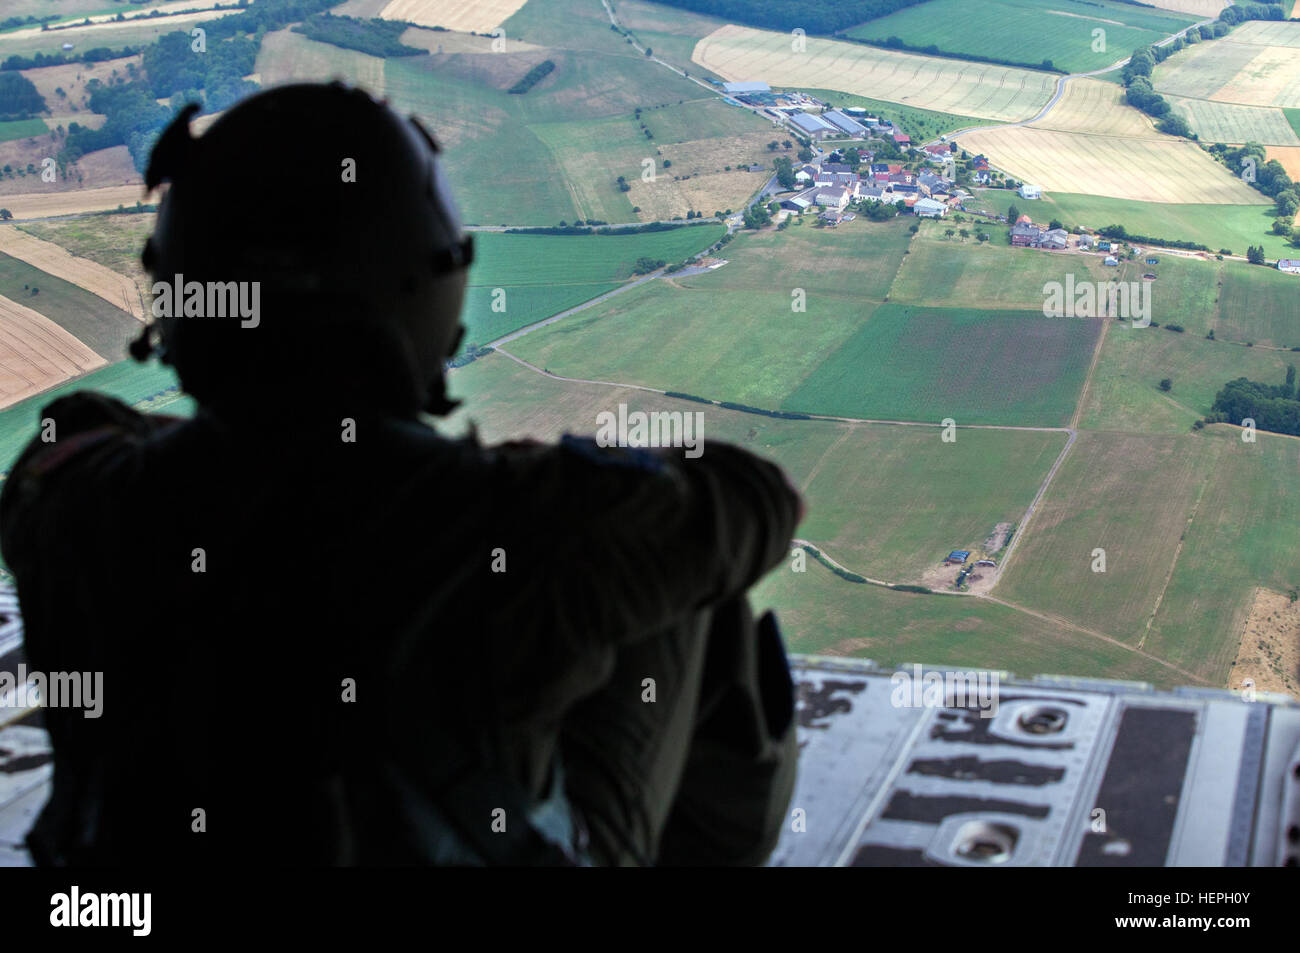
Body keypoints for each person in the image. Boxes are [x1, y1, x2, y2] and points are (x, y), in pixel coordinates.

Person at [0, 83, 802, 866]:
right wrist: (543, 477)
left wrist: (256, 441)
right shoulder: (520, 522)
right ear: (430, 285)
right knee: (685, 576)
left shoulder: (74, 501)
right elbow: (757, 501)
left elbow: (75, 434)